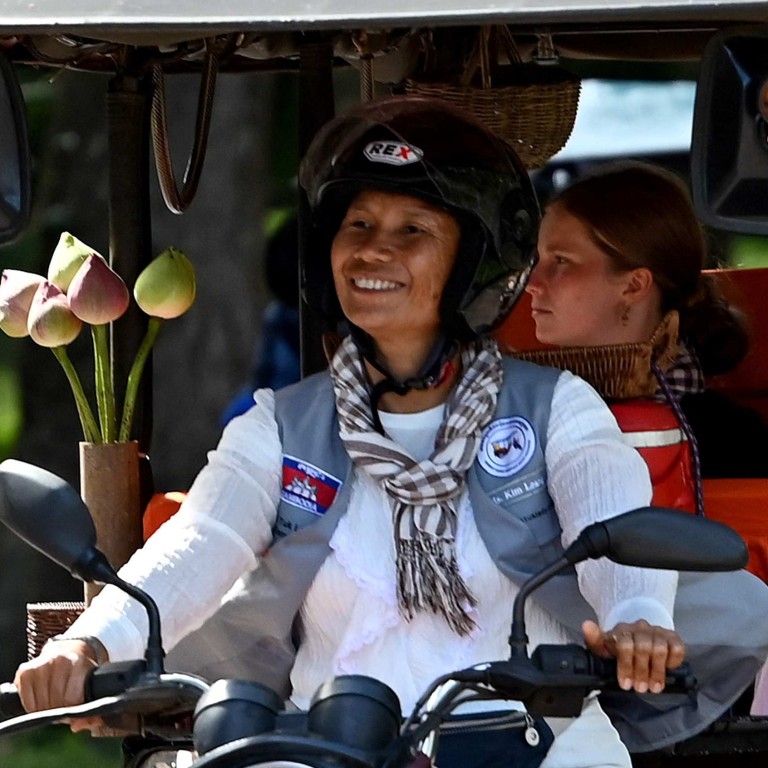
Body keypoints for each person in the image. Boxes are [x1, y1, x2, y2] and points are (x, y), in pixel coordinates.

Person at [12, 98, 768, 766]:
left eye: (412, 230)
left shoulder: (556, 407)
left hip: (538, 742)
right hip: (321, 745)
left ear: (471, 260)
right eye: (359, 225)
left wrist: (636, 619)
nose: (374, 249)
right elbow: (200, 540)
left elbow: (614, 529)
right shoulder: (282, 424)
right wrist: (91, 640)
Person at [523, 161, 768, 484]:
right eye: (537, 260)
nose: (532, 283)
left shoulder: (734, 444)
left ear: (634, 286)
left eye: (561, 261)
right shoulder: (519, 415)